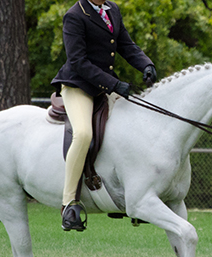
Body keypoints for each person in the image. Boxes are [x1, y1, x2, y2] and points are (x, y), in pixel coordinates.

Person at [51, 0, 157, 232]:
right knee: (83, 134)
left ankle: (136, 195)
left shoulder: (112, 10)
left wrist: (146, 65)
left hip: (103, 87)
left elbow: (126, 45)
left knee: (135, 125)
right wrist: (113, 84)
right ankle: (69, 203)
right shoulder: (75, 15)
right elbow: (78, 62)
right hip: (78, 86)